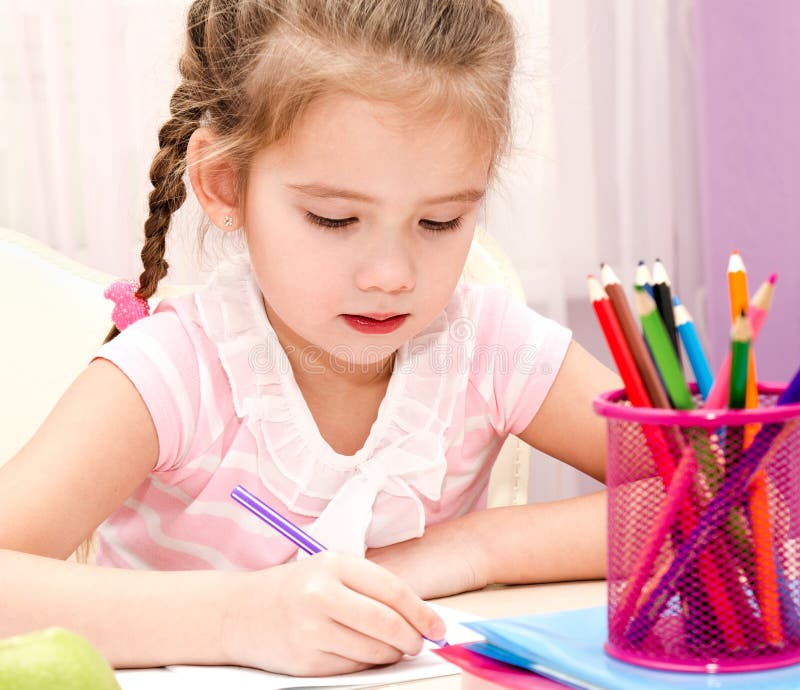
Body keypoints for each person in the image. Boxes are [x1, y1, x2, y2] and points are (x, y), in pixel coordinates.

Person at [0, 0, 619, 677]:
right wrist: (240, 618)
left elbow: (710, 492)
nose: (391, 276)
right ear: (225, 184)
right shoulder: (173, 374)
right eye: (334, 218)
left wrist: (474, 549)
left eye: (440, 222)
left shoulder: (489, 348)